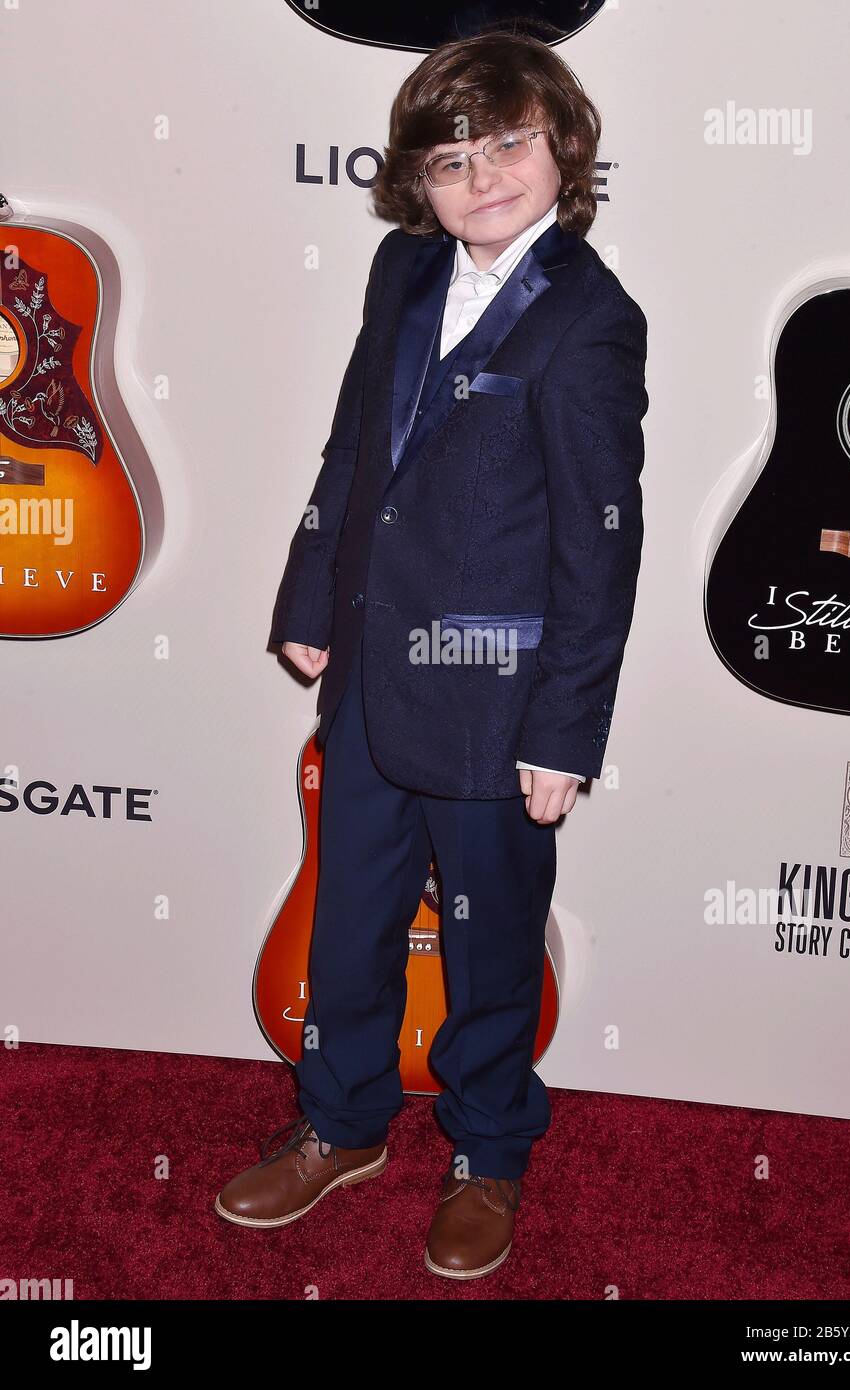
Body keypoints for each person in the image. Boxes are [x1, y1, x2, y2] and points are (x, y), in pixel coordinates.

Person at [215, 28, 648, 1281]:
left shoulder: (590, 322)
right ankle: (340, 1122)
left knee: (487, 940)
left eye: (509, 143)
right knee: (347, 916)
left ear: (562, 143)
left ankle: (488, 1151)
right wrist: (309, 592)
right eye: (454, 157)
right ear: (418, 180)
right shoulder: (401, 273)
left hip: (498, 699)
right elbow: (354, 445)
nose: (486, 175)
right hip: (365, 671)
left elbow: (596, 542)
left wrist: (563, 728)